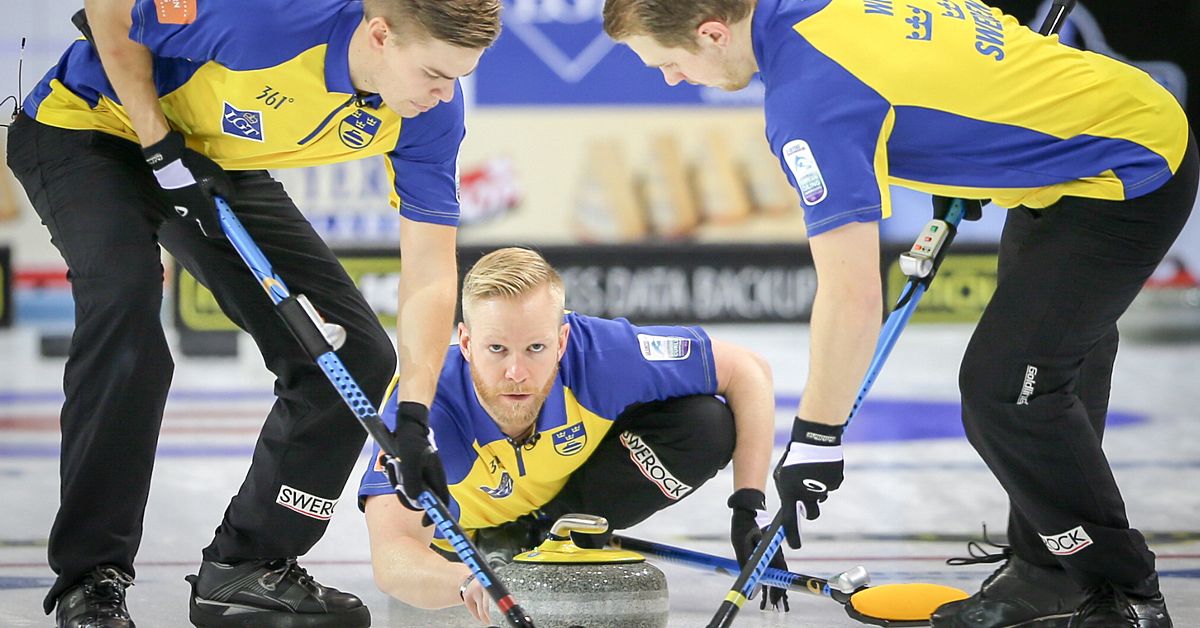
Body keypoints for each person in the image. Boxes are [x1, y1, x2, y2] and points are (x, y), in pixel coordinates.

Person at [599, 1, 1196, 626]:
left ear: (712, 33)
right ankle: (1048, 572)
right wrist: (964, 144)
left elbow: (852, 295)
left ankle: (1123, 589)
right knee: (1041, 376)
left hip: (1126, 168)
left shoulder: (810, 100)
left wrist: (816, 436)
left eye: (668, 64)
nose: (669, 79)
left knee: (1008, 392)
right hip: (1077, 150)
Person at [4, 0, 501, 626]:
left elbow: (429, 273)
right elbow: (111, 12)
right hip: (88, 127)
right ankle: (91, 576)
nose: (445, 93)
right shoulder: (269, 20)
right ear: (381, 36)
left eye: (459, 77)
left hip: (209, 158)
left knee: (354, 354)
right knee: (126, 308)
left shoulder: (431, 114)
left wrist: (415, 416)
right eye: (434, 73)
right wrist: (158, 143)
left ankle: (247, 565)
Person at [358, 247, 786, 625]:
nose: (516, 373)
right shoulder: (422, 409)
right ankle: (500, 543)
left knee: (706, 424)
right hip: (463, 546)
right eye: (497, 349)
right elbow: (392, 557)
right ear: (465, 343)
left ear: (562, 341)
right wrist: (470, 579)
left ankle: (545, 534)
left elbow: (746, 369)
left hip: (562, 501)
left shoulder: (602, 354)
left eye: (536, 348)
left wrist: (749, 507)